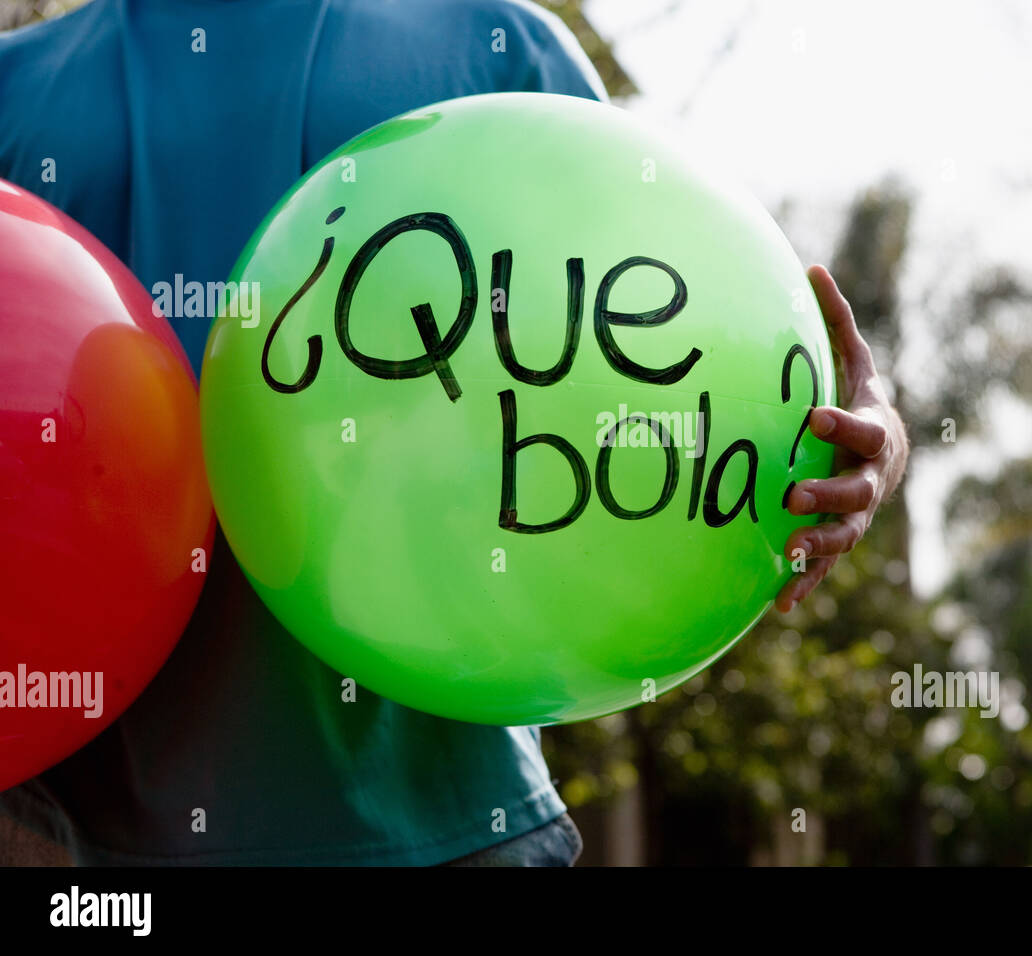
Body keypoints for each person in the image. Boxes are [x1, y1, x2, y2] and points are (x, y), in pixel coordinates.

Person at [0, 0, 908, 866]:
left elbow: (702, 339)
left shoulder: (500, 51)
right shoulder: (15, 86)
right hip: (59, 838)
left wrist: (873, 437)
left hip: (462, 828)